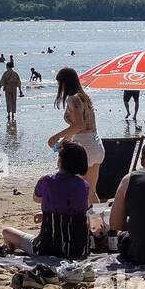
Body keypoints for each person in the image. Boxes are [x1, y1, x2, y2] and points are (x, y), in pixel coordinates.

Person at [1, 142, 91, 260]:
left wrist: (49, 210)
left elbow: (36, 198)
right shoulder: (84, 185)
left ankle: (12, 252)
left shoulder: (47, 181)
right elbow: (71, 209)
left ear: (59, 161)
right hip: (79, 249)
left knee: (6, 232)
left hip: (47, 248)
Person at [47, 67, 105, 201]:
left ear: (65, 83)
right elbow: (81, 128)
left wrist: (56, 137)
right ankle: (97, 222)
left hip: (84, 149)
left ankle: (79, 220)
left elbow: (79, 126)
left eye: (59, 84)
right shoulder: (85, 97)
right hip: (96, 146)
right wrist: (64, 140)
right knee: (91, 192)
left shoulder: (72, 99)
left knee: (77, 191)